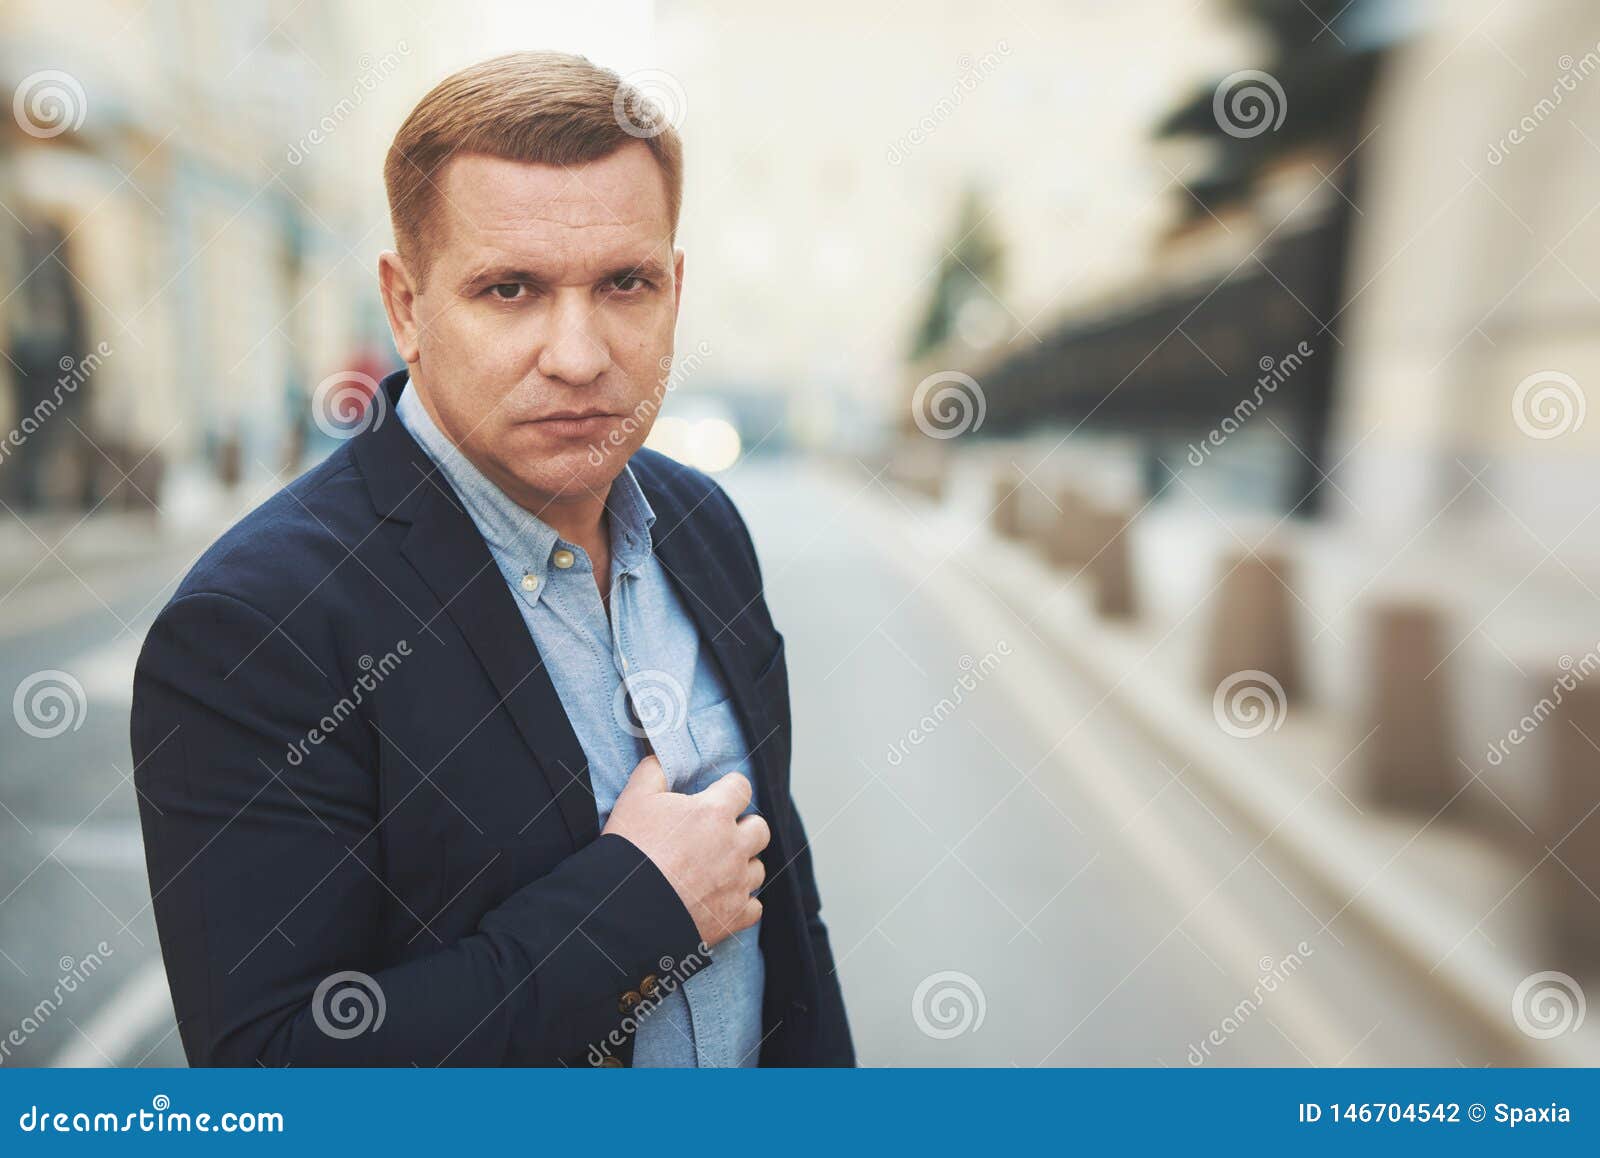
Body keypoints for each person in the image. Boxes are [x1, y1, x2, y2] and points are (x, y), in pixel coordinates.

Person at [130, 51, 853, 1068]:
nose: (578, 354)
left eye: (625, 283)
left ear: (675, 290)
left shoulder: (705, 529)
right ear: (406, 306)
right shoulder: (260, 623)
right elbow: (274, 1071)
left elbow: (791, 934)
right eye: (509, 289)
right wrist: (633, 907)